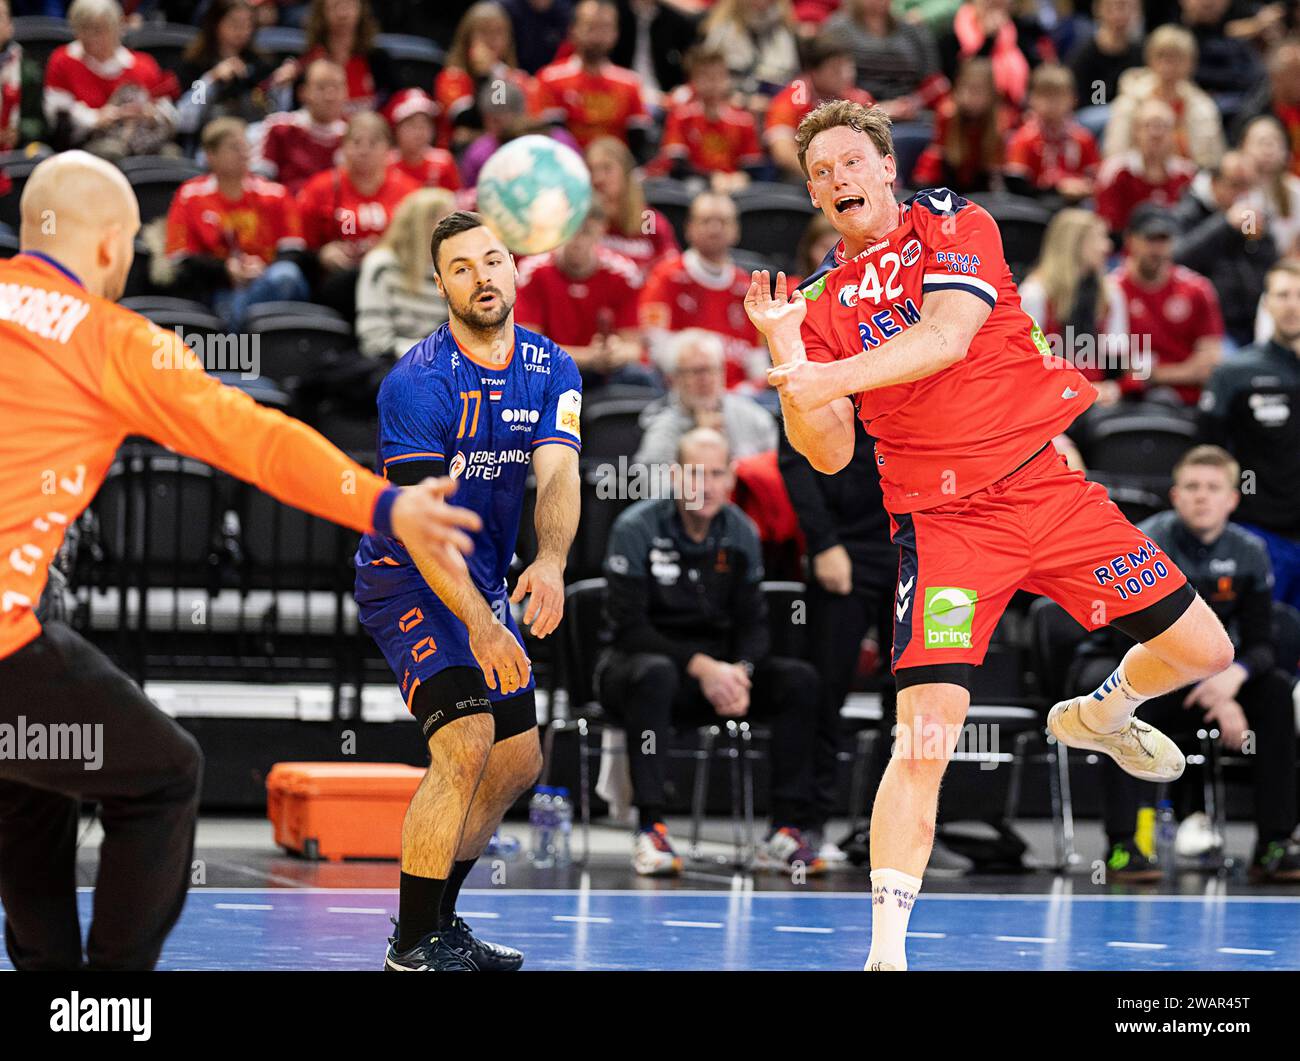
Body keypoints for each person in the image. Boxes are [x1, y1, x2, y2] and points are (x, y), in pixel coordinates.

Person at [746, 99, 1235, 971]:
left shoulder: (953, 221)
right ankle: (886, 952)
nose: (836, 181)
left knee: (1204, 648)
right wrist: (792, 367)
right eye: (820, 173)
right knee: (927, 732)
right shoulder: (817, 300)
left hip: (1048, 488)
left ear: (887, 167)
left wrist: (824, 372)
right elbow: (825, 454)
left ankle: (1104, 712)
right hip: (943, 527)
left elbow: (947, 336)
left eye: (850, 162)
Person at [0, 151, 478, 972]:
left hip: (19, 638)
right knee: (161, 775)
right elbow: (251, 436)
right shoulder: (105, 338)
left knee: (34, 766)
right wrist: (386, 502)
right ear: (114, 248)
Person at [354, 211, 582, 971]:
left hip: (482, 581)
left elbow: (557, 473)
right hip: (407, 579)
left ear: (514, 267)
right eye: (462, 267)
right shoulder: (415, 383)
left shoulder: (552, 368)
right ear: (441, 284)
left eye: (493, 259)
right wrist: (484, 627)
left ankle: (440, 921)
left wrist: (548, 561)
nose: (483, 275)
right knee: (466, 741)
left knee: (518, 761)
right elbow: (421, 534)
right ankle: (411, 945)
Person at [596, 427, 825, 877]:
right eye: (695, 473)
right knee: (656, 672)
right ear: (675, 476)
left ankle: (784, 831)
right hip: (637, 668)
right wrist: (703, 668)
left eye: (716, 473)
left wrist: (739, 672)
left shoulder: (740, 532)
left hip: (717, 671)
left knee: (799, 680)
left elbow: (755, 626)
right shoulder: (636, 528)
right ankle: (651, 828)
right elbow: (630, 629)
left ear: (729, 479)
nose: (705, 485)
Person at [1069, 446, 1300, 881]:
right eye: (1192, 487)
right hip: (1136, 664)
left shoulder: (1249, 552)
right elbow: (1128, 634)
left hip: (1208, 675)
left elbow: (1264, 642)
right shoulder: (1145, 542)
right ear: (1175, 496)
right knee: (1116, 695)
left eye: (1213, 488)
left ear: (1232, 498)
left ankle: (1274, 844)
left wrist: (1234, 679)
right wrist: (1213, 679)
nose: (1202, 497)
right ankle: (1124, 847)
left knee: (1273, 691)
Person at [778, 411, 899, 863]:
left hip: (911, 543)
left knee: (909, 696)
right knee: (823, 688)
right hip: (843, 548)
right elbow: (793, 456)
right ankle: (805, 822)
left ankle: (886, 827)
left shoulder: (918, 350)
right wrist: (823, 543)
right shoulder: (822, 354)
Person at [1200, 260, 1300, 612]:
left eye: (1299, 295)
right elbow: (1209, 453)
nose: (1292, 305)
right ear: (1267, 303)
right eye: (1282, 295)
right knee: (1263, 641)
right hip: (1261, 532)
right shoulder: (1235, 373)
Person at [165, 117, 311, 329]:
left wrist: (261, 267)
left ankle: (236, 345)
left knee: (286, 275)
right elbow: (181, 259)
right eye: (234, 147)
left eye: (246, 146)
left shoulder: (275, 194)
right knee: (224, 303)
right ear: (210, 155)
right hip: (217, 286)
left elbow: (294, 249)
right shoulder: (190, 196)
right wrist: (227, 270)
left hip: (268, 279)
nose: (243, 153)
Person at [514, 202, 654, 391]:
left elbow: (634, 347)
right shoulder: (533, 273)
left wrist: (615, 352)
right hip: (551, 371)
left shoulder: (623, 274)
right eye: (570, 230)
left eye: (586, 231)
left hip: (604, 373)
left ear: (601, 231)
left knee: (641, 377)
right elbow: (527, 351)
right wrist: (588, 357)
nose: (577, 240)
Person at [298, 111, 420, 319]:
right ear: (343, 147)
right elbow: (299, 248)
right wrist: (321, 254)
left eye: (373, 143)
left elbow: (421, 245)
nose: (364, 150)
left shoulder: (410, 192)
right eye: (356, 142)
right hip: (338, 283)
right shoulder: (319, 188)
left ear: (388, 150)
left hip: (392, 280)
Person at [639, 191, 767, 389]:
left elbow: (756, 358)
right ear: (689, 228)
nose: (715, 229)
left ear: (736, 230)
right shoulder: (666, 277)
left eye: (723, 222)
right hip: (681, 393)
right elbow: (655, 348)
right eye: (706, 221)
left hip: (740, 397)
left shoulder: (748, 286)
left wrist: (750, 390)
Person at [1113, 202, 1224, 406]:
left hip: (1188, 402)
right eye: (1150, 239)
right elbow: (1112, 363)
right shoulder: (1112, 291)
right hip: (1128, 400)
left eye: (1163, 239)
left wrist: (1152, 376)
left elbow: (1208, 365)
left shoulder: (1197, 290)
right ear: (1130, 240)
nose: (1157, 249)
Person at [1019, 208, 1129, 408]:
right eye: (1100, 238)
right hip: (1047, 401)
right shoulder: (1035, 293)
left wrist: (1114, 388)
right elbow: (1025, 366)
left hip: (1097, 397)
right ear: (1075, 244)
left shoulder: (1110, 293)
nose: (1108, 246)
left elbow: (1118, 359)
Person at [43, 0, 179, 157]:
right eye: (84, 28)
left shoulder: (143, 64)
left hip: (141, 138)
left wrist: (150, 114)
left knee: (170, 154)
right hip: (89, 141)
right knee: (112, 151)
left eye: (100, 30)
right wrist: (96, 118)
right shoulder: (63, 60)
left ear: (118, 28)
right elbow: (57, 113)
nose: (92, 37)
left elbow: (168, 112)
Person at [1170, 150, 1277, 350]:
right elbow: (1178, 257)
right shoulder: (1189, 210)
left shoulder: (1251, 214)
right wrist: (1225, 224)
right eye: (1235, 185)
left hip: (1254, 319)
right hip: (1210, 326)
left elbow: (1270, 264)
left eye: (1247, 186)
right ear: (1214, 183)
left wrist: (1259, 239)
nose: (1242, 194)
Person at [633, 329, 778, 469]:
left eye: (711, 369)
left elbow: (777, 474)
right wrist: (698, 440)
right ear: (674, 378)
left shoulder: (753, 417)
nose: (705, 379)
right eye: (696, 372)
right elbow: (654, 486)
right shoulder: (662, 427)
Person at [1101, 24, 1225, 171]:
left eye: (1177, 58)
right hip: (1135, 178)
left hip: (1187, 182)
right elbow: (1114, 153)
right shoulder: (1129, 103)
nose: (1169, 66)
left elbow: (1212, 161)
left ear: (1191, 63)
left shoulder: (1203, 107)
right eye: (1162, 56)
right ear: (1149, 59)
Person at [536, 0, 653, 153]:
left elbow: (639, 143)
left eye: (605, 27)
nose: (598, 36)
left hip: (616, 169)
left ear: (616, 33)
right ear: (573, 30)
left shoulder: (630, 83)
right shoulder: (550, 79)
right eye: (590, 26)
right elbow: (549, 137)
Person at [644, 46, 764, 192]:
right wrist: (711, 178)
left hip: (733, 187)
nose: (713, 84)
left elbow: (753, 168)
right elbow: (676, 166)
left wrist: (741, 178)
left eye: (719, 77)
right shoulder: (681, 116)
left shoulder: (744, 120)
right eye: (706, 77)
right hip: (691, 187)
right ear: (693, 80)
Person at [355, 187, 455, 361]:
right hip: (392, 361)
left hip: (436, 360)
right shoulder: (382, 265)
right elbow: (374, 338)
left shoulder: (449, 268)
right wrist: (427, 355)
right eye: (445, 221)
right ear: (419, 225)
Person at [765, 34, 874, 181]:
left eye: (848, 66)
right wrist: (822, 176)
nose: (846, 74)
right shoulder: (790, 100)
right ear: (813, 71)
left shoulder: (859, 99)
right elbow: (782, 152)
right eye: (835, 68)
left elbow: (879, 145)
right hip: (805, 179)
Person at [175, 0, 285, 139]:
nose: (242, 30)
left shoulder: (261, 63)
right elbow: (186, 119)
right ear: (216, 23)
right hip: (209, 142)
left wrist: (280, 87)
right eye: (234, 23)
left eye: (248, 24)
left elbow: (274, 113)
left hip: (252, 138)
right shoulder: (195, 63)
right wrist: (211, 79)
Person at [822, 0, 948, 120]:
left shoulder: (913, 30)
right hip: (858, 115)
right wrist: (878, 108)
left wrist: (913, 103)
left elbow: (935, 80)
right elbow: (828, 83)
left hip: (913, 114)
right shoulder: (837, 29)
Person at [1094, 97, 1198, 238]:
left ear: (1174, 134)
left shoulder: (1188, 174)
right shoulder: (1116, 171)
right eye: (1148, 126)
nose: (1156, 134)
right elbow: (1107, 225)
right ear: (1136, 132)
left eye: (1163, 126)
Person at [1003, 64, 1101, 204]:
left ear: (1072, 99)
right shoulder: (1023, 139)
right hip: (1036, 206)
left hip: (1076, 205)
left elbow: (1095, 180)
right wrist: (1057, 188)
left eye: (1058, 97)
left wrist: (1082, 187)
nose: (1052, 104)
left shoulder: (1082, 138)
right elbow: (1018, 188)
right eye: (1045, 97)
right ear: (1031, 99)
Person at [249, 57, 348, 194]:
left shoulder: (353, 137)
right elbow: (257, 183)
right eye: (321, 87)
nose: (330, 95)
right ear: (303, 93)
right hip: (287, 209)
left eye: (337, 87)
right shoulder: (279, 128)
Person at [911, 57, 1010, 194]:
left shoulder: (1000, 121)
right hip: (941, 181)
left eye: (979, 91)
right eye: (968, 89)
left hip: (978, 184)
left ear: (991, 94)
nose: (972, 97)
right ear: (958, 89)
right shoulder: (947, 114)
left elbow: (994, 171)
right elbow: (937, 168)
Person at [586, 135, 680, 278]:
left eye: (607, 168)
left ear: (626, 173)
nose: (598, 178)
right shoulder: (582, 222)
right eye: (592, 170)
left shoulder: (647, 220)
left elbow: (671, 269)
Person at [294, 0, 394, 115]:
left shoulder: (378, 59)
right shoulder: (308, 60)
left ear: (360, 9)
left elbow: (393, 105)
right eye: (335, 6)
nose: (342, 13)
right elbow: (298, 109)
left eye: (349, 5)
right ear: (322, 12)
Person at [698, 0, 801, 102]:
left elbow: (794, 79)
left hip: (778, 105)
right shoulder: (721, 30)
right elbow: (707, 81)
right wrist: (745, 101)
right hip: (732, 105)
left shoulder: (785, 30)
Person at [1237, 114, 1300, 258]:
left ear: (1287, 152)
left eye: (1275, 141)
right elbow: (1250, 242)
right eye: (1261, 142)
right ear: (1243, 149)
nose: (1268, 148)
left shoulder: (1297, 191)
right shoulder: (1236, 191)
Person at [383, 88, 461, 191]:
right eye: (412, 125)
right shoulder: (385, 164)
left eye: (425, 124)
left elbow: (456, 199)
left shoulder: (443, 162)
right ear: (396, 129)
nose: (419, 132)